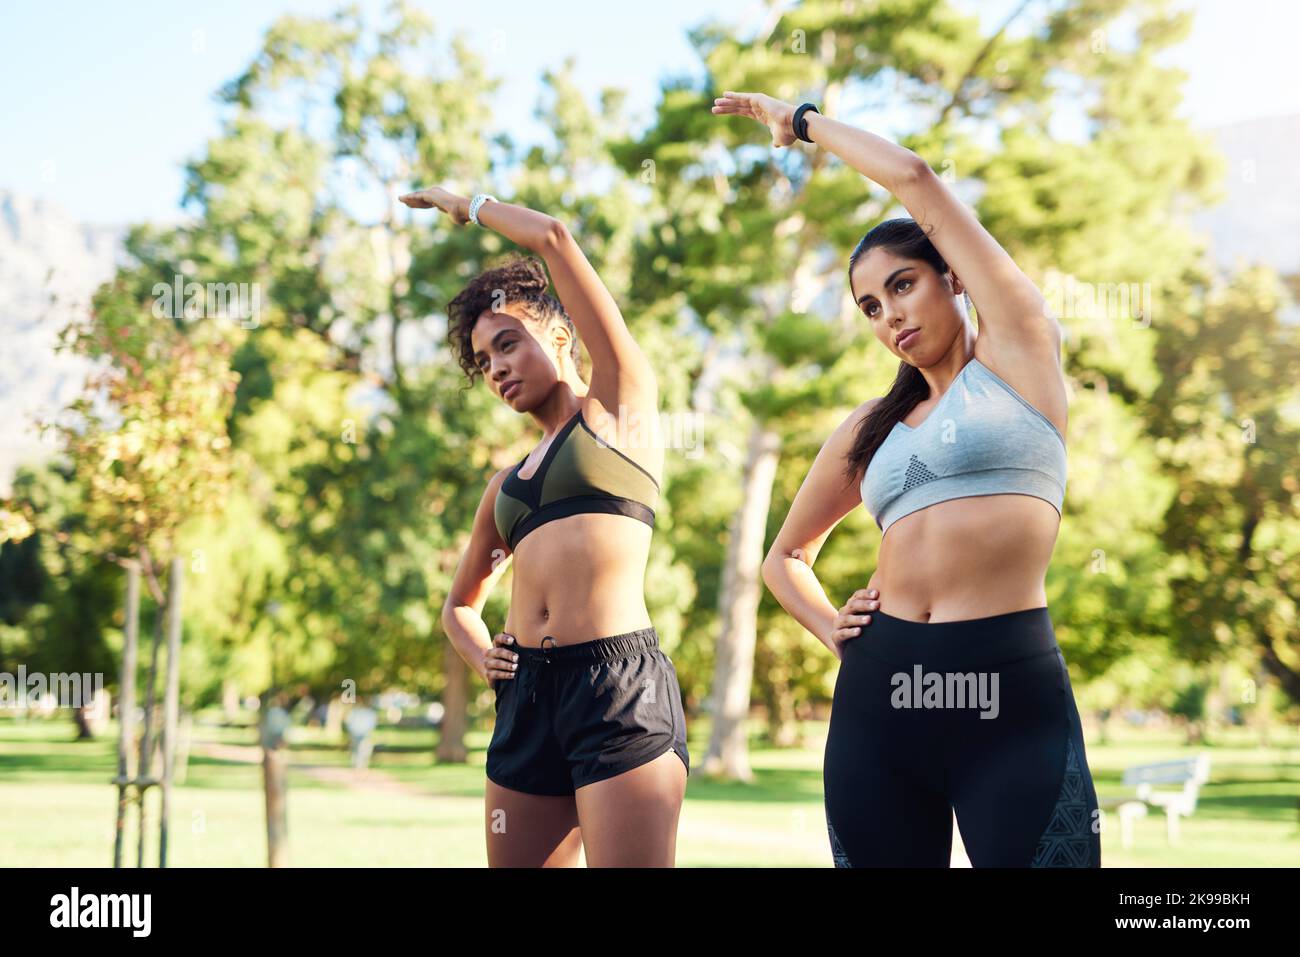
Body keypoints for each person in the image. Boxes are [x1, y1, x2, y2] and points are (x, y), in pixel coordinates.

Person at [717, 92, 1101, 867]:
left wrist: (800, 123)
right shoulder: (871, 428)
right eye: (868, 305)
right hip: (881, 695)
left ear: (951, 277)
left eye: (902, 285)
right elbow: (783, 559)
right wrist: (836, 631)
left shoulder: (1020, 355)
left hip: (1008, 691)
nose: (888, 314)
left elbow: (917, 180)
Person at [406, 186, 690, 867]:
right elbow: (459, 607)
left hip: (616, 690)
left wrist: (466, 206)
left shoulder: (620, 409)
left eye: (508, 343)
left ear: (559, 335)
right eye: (484, 360)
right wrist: (485, 659)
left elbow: (555, 238)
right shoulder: (502, 487)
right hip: (526, 698)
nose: (497, 367)